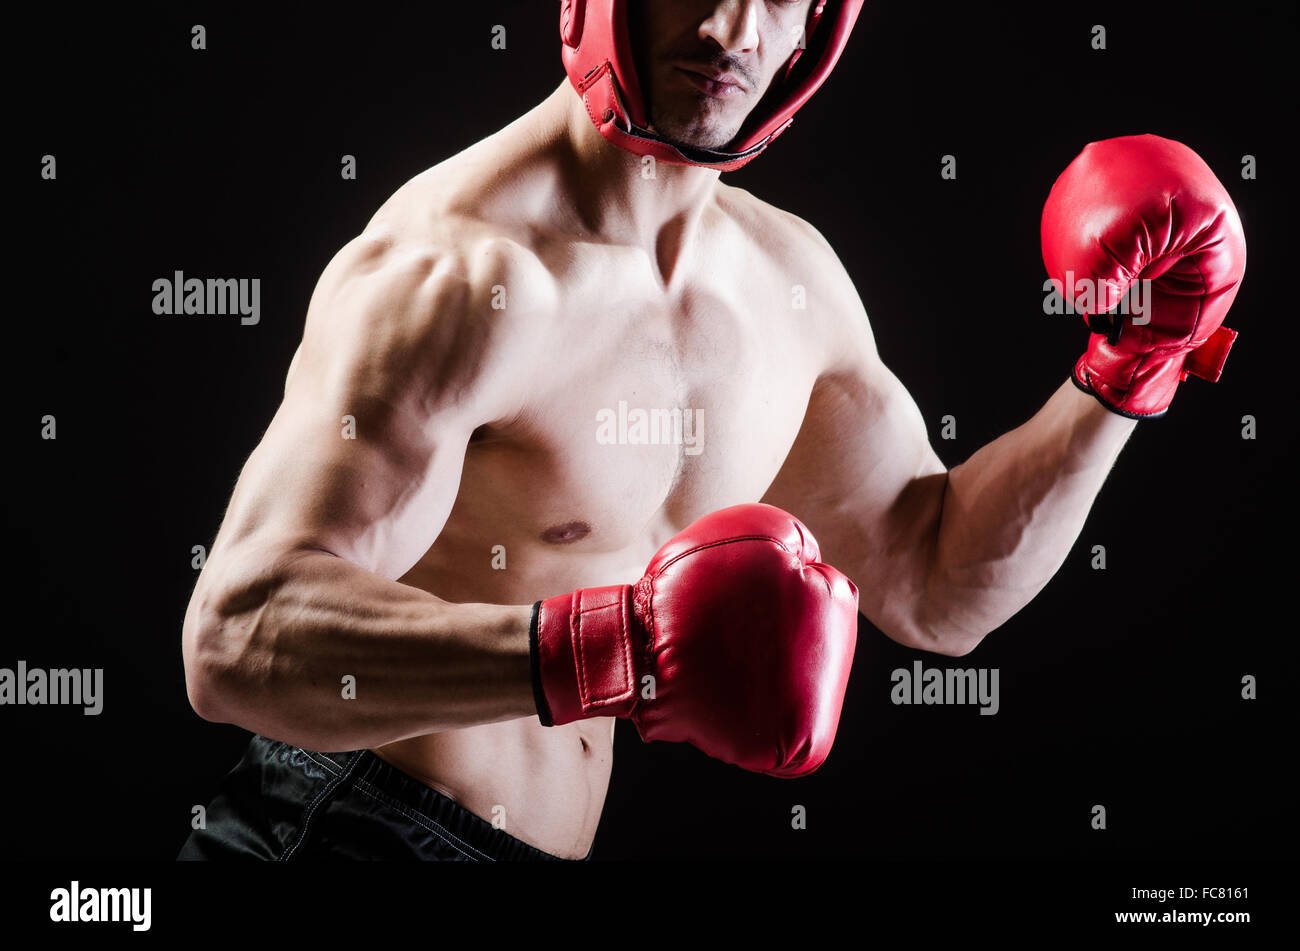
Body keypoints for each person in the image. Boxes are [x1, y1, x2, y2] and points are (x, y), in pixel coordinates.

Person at [178, 0, 1245, 861]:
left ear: (817, 26)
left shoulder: (789, 283)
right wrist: (616, 649)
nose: (733, 30)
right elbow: (235, 638)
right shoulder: (461, 274)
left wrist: (1128, 368)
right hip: (336, 828)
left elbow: (934, 583)